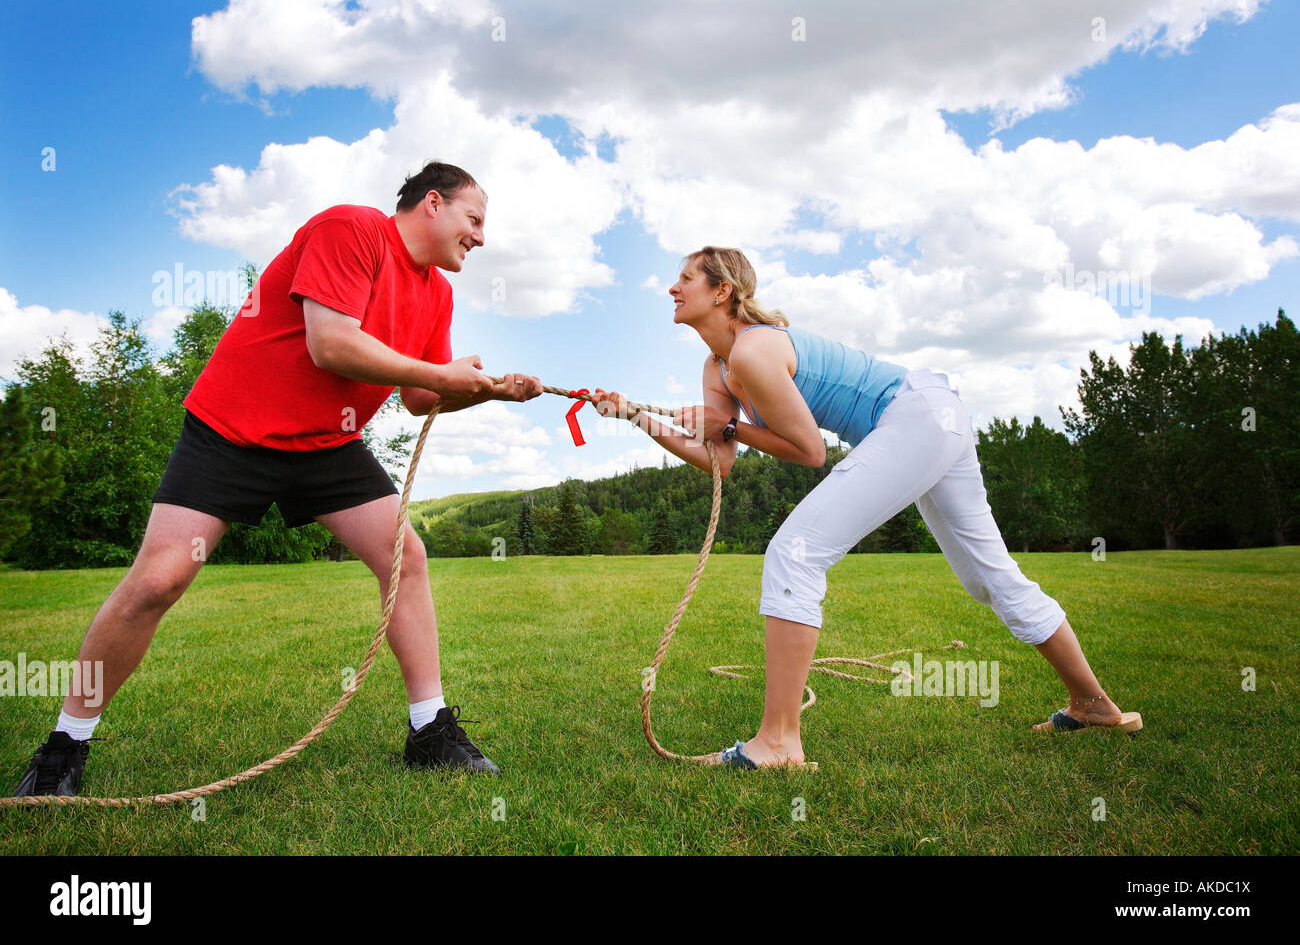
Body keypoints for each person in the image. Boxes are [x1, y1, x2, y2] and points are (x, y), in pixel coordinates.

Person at [13, 161, 542, 796]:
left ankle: (430, 733)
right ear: (432, 203)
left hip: (327, 444)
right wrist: (450, 376)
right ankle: (64, 746)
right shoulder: (351, 229)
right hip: (231, 432)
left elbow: (418, 396)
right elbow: (331, 344)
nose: (481, 238)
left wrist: (485, 391)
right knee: (158, 580)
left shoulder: (437, 293)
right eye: (474, 219)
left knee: (405, 558)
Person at [591, 246, 1141, 769]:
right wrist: (636, 417)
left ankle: (778, 742)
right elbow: (720, 460)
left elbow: (810, 451)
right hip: (933, 417)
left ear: (721, 291)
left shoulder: (755, 349)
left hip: (915, 416)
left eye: (684, 278)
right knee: (989, 578)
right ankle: (1092, 705)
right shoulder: (720, 366)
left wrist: (733, 425)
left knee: (794, 553)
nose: (671, 287)